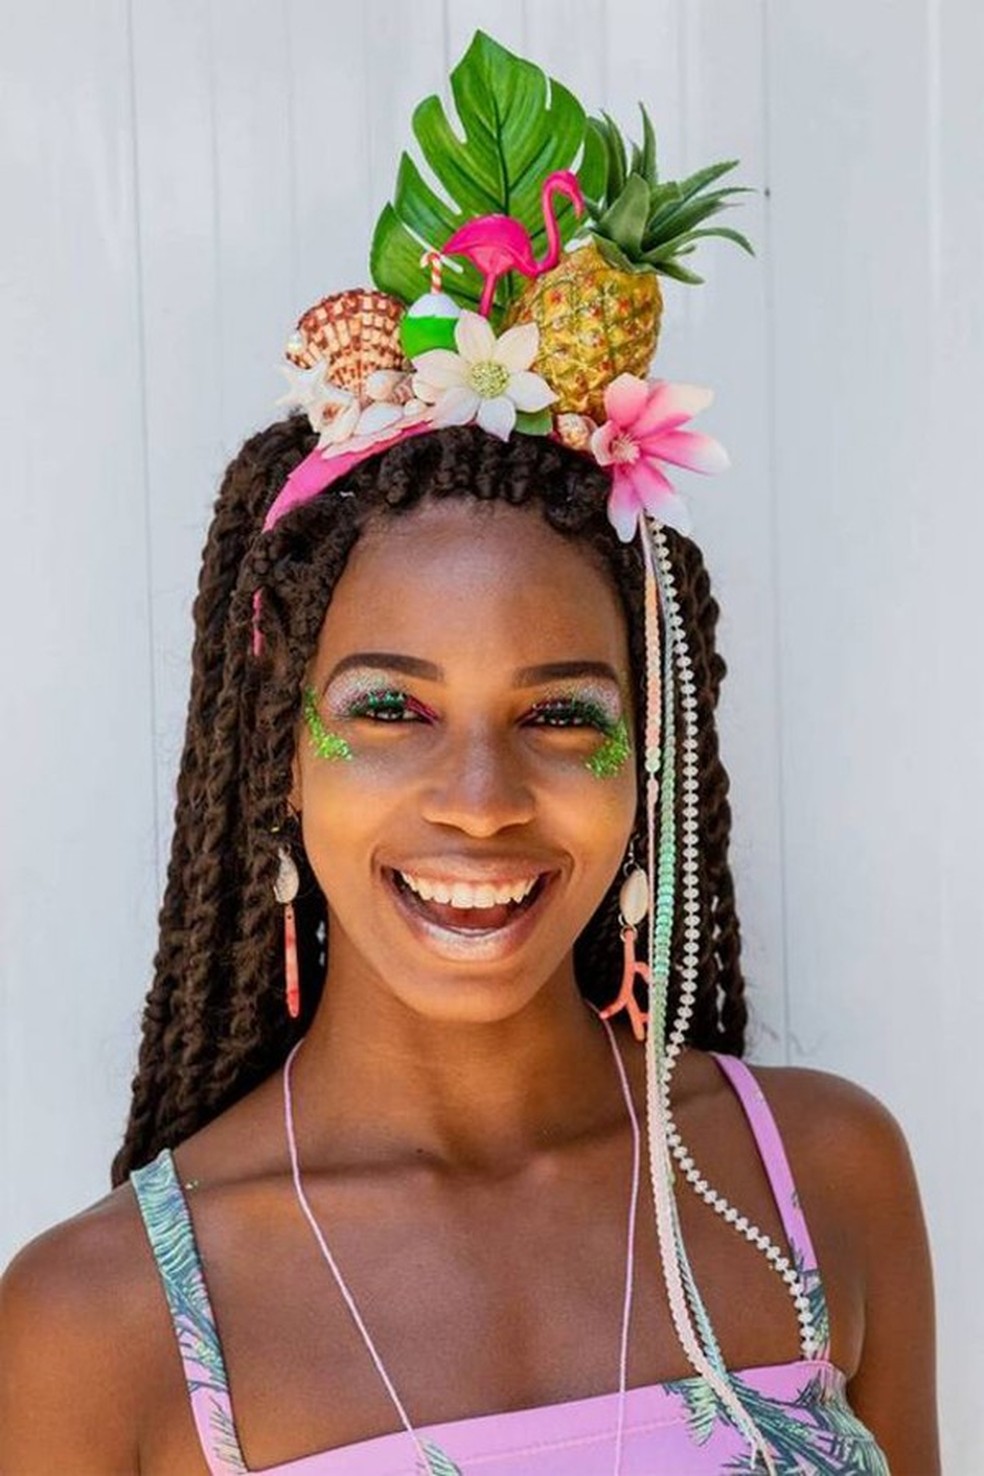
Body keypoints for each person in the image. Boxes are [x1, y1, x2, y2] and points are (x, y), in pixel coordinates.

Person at [0, 33, 938, 1476]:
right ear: (279, 755)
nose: (484, 804)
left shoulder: (813, 1182)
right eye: (391, 709)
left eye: (563, 715)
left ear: (650, 755)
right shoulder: (96, 1322)